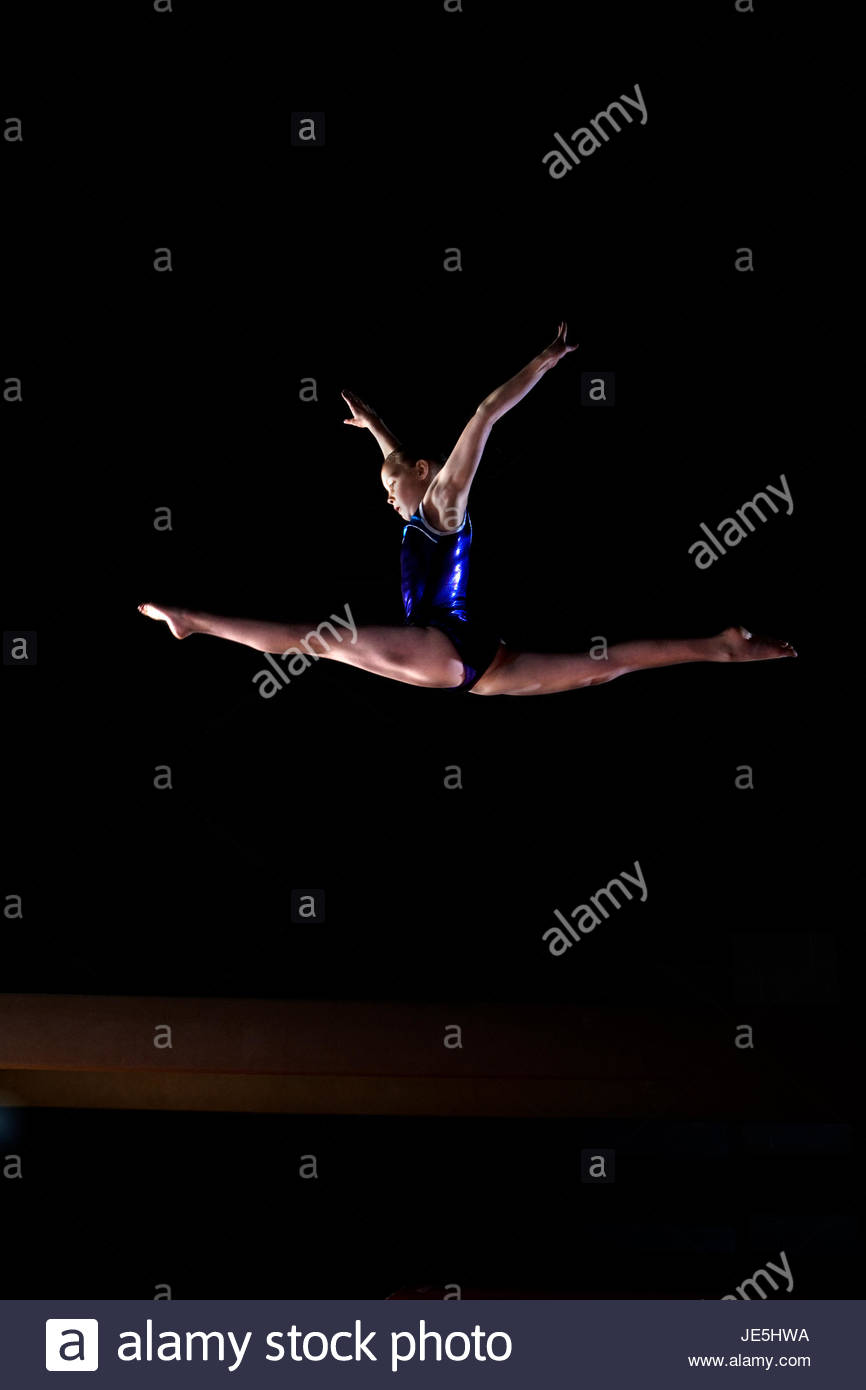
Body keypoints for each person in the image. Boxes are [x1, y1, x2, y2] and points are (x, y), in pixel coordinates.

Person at [139, 322, 796, 692]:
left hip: (443, 647)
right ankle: (721, 645)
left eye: (389, 484)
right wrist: (376, 430)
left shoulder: (444, 503)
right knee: (604, 667)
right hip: (482, 659)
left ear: (424, 473)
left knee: (324, 640)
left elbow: (483, 416)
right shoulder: (429, 508)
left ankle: (194, 620)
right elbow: (406, 471)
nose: (387, 497)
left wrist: (542, 360)